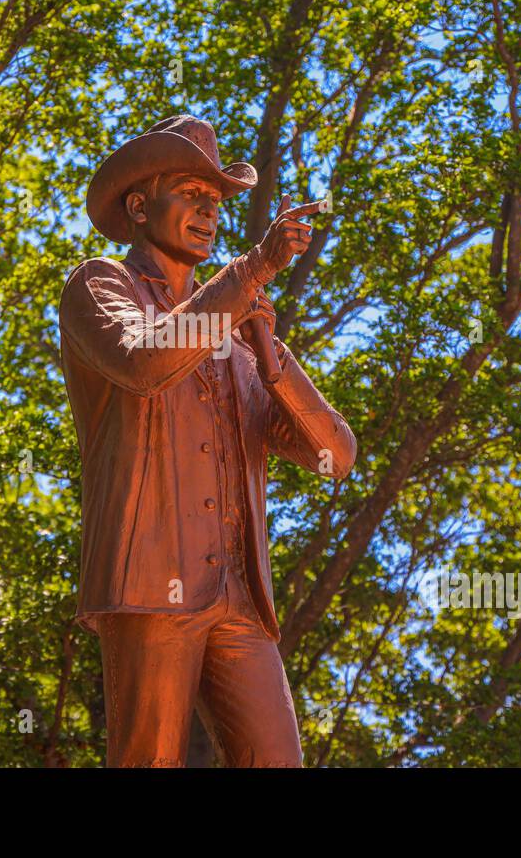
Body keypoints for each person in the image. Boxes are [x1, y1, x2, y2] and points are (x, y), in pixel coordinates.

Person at [58, 114, 357, 767]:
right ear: (139, 205)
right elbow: (143, 362)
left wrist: (270, 356)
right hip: (148, 581)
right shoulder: (100, 284)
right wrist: (250, 271)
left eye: (217, 201)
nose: (208, 211)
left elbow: (337, 455)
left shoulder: (234, 330)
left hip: (239, 602)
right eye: (191, 193)